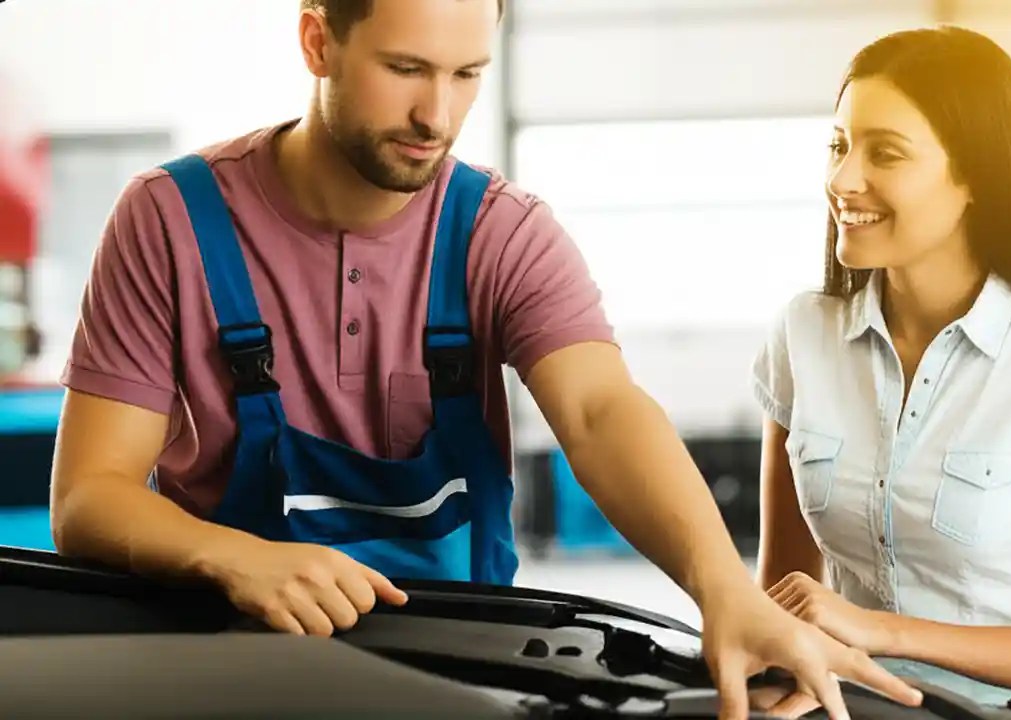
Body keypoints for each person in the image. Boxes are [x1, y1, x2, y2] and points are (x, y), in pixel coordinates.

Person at [47, 1, 925, 718]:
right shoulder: (168, 223)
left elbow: (599, 411)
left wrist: (722, 590)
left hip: (469, 676)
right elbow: (90, 497)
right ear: (319, 39)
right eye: (406, 70)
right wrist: (228, 556)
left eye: (468, 75)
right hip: (231, 671)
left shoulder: (502, 233)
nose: (440, 115)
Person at [750, 26, 1011, 718]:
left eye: (886, 153)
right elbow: (784, 598)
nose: (843, 179)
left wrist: (881, 632)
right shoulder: (803, 334)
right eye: (840, 146)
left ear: (976, 176)